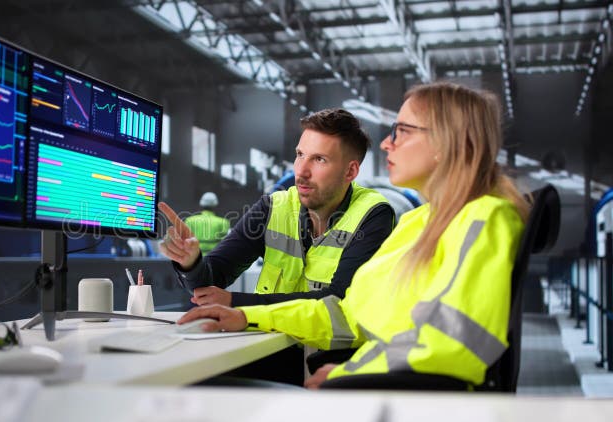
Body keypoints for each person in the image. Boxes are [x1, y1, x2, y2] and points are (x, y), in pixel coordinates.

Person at [176, 82, 530, 389]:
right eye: (300, 155)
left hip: (408, 399)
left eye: (403, 132)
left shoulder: (484, 216)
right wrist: (247, 315)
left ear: (446, 142)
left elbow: (455, 344)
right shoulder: (420, 222)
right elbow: (345, 315)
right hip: (377, 381)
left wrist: (352, 375)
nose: (388, 145)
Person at [159, 108, 395, 308]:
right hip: (273, 348)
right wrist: (190, 263)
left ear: (350, 172)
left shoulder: (373, 215)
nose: (301, 171)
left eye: (319, 159)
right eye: (300, 155)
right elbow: (209, 284)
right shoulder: (272, 207)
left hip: (333, 358)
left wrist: (236, 303)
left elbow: (337, 301)